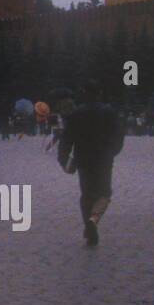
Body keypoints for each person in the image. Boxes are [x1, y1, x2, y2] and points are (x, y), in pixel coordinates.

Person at [57, 79, 125, 246]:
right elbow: (119, 135)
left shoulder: (76, 114)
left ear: (84, 94)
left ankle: (88, 222)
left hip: (83, 160)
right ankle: (94, 219)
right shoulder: (109, 112)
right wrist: (112, 151)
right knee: (104, 193)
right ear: (99, 93)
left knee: (87, 194)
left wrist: (65, 161)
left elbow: (66, 140)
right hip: (103, 159)